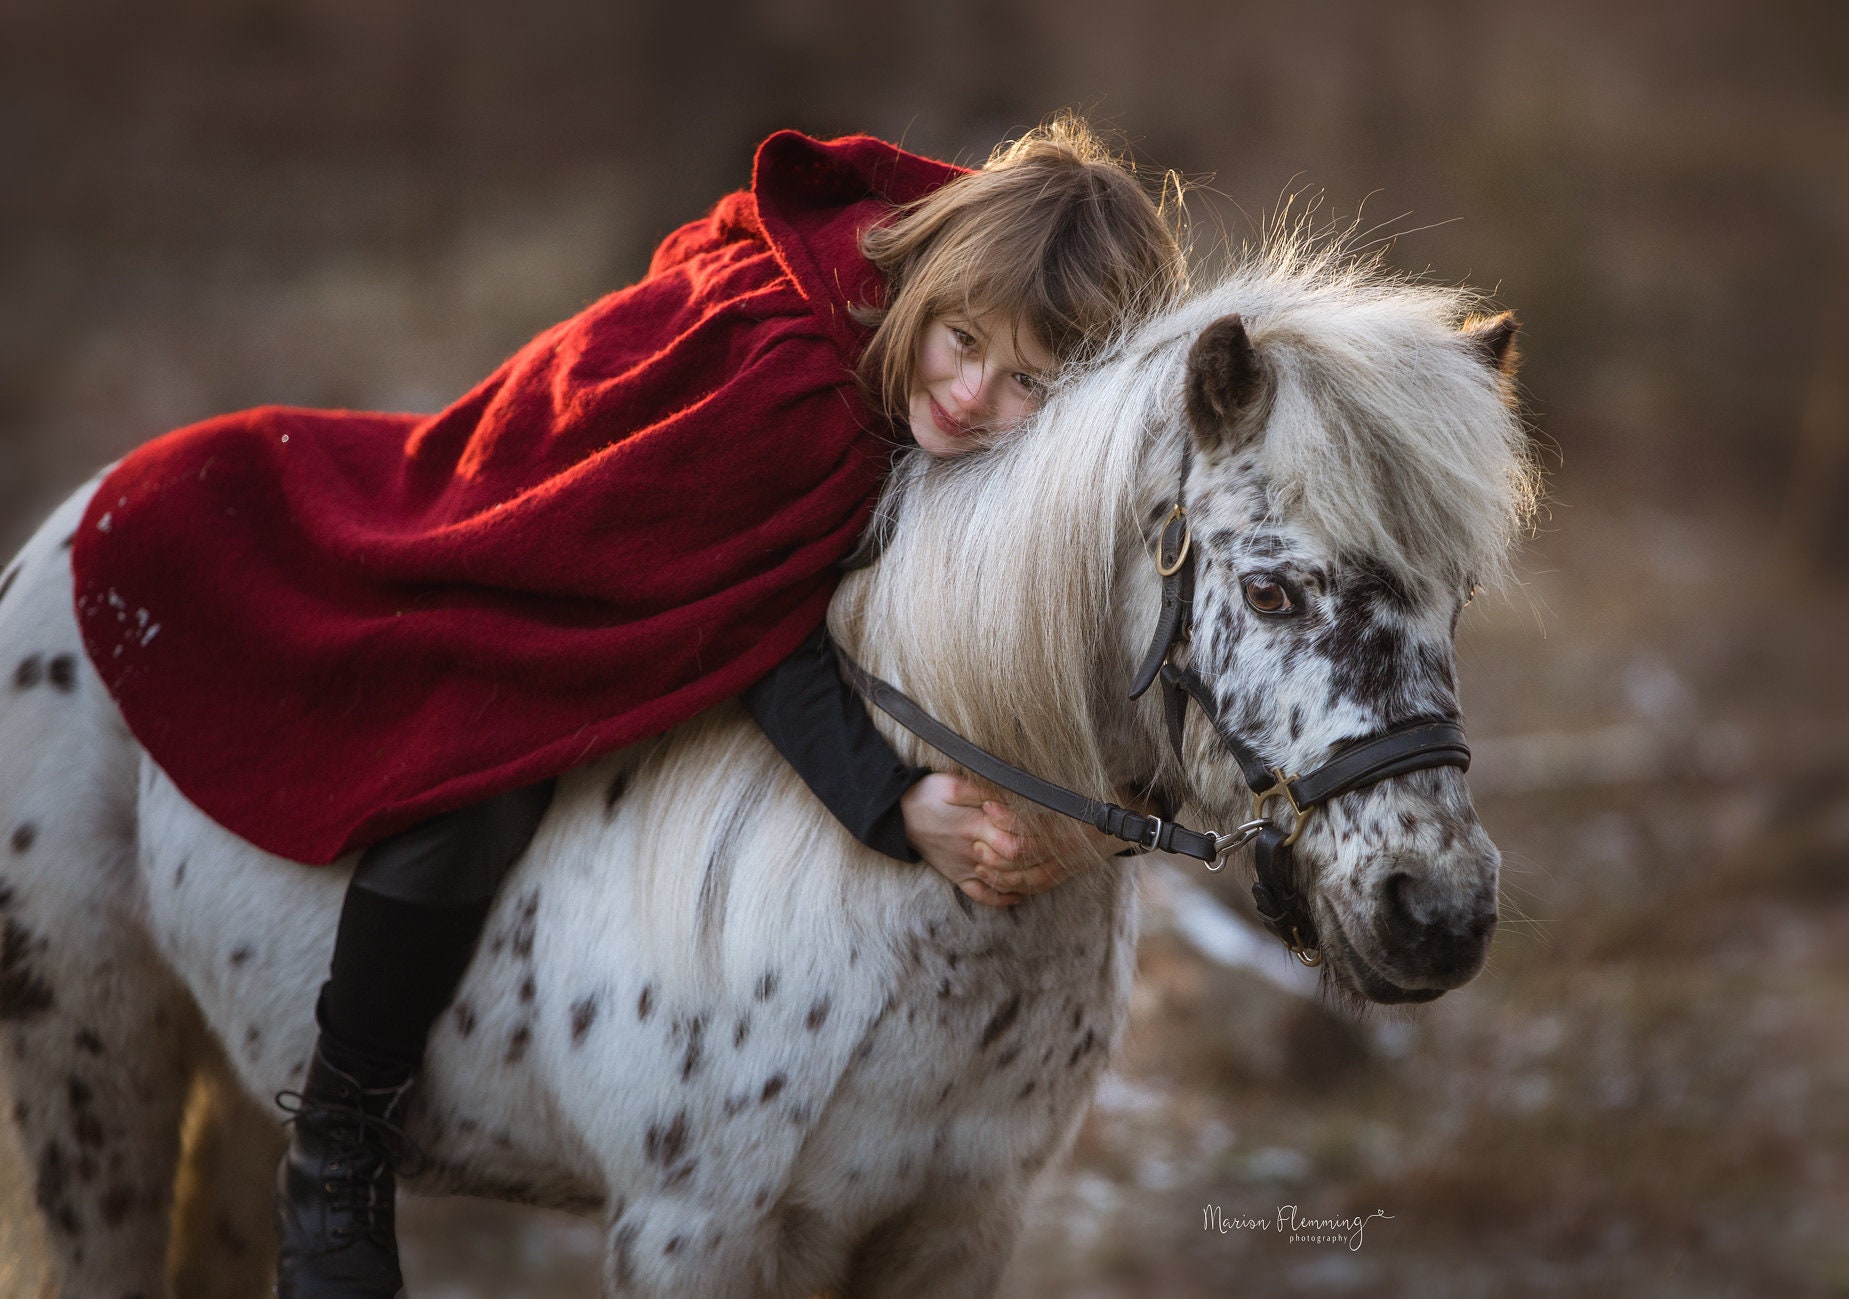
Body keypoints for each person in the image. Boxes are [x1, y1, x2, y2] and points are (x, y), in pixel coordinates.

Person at [71, 116, 1185, 1297]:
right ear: (932, 298)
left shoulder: (967, 345)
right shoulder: (796, 388)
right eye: (962, 343)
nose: (969, 396)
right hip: (562, 519)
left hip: (689, 528)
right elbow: (744, 614)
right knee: (477, 755)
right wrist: (886, 804)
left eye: (1025, 384)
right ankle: (341, 1137)